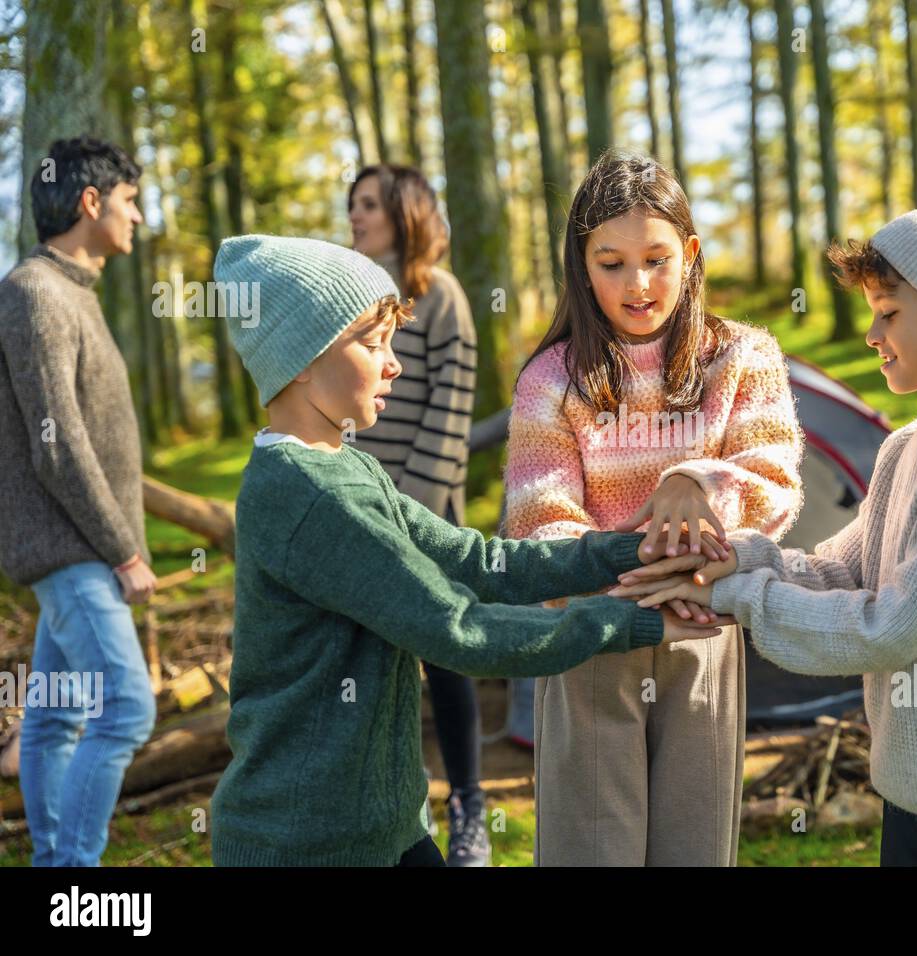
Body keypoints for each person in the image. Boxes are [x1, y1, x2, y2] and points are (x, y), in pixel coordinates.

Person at [207, 234, 724, 866]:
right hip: (304, 842)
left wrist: (621, 552)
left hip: (384, 827)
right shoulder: (309, 494)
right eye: (372, 344)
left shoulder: (349, 468)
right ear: (303, 360)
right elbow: (456, 629)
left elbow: (477, 562)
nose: (394, 363)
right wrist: (634, 622)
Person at [613, 195, 917, 867]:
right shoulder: (908, 445)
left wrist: (736, 598)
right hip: (916, 794)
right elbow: (841, 570)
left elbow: (896, 625)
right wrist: (733, 559)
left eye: (890, 313)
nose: (871, 334)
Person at [504, 149, 803, 866]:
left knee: (693, 847)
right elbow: (539, 518)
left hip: (702, 637)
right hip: (588, 641)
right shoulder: (551, 379)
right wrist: (644, 589)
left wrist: (697, 481)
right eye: (611, 264)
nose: (638, 285)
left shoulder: (743, 358)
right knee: (592, 849)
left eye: (657, 259)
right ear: (581, 264)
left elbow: (773, 481)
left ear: (691, 254)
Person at [0, 135, 155, 866]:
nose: (138, 216)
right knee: (127, 708)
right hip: (71, 552)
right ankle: (70, 876)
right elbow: (56, 445)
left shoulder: (71, 293)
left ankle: (52, 869)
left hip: (78, 549)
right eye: (129, 200)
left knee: (55, 721)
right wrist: (123, 548)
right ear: (90, 202)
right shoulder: (35, 293)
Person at [347, 163, 488, 866]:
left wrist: (408, 516)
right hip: (361, 512)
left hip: (424, 511)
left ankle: (470, 807)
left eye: (368, 204)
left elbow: (450, 411)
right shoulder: (358, 299)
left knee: (446, 657)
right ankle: (402, 808)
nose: (356, 217)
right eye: (353, 206)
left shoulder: (443, 296)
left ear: (406, 212)